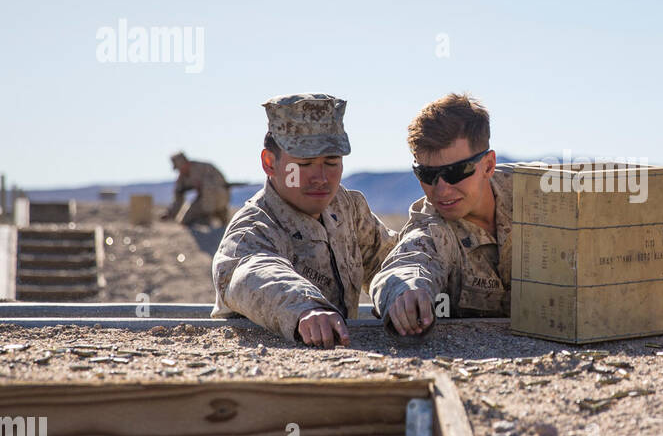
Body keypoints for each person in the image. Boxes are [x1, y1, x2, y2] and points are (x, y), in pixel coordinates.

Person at [211, 93, 398, 347]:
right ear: (269, 163)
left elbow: (388, 261)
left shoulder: (347, 209)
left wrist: (405, 292)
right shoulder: (255, 227)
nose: (320, 177)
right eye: (304, 164)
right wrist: (305, 306)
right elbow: (249, 272)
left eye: (331, 162)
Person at [371, 93, 514, 335]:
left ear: (488, 165)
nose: (442, 189)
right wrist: (404, 292)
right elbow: (409, 263)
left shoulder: (541, 193)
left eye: (456, 171)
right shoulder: (432, 230)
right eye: (427, 174)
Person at [161, 152, 231, 227]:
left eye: (180, 167)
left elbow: (221, 185)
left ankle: (213, 216)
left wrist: (203, 186)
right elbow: (178, 197)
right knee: (185, 220)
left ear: (186, 163)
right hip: (202, 202)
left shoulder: (205, 168)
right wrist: (170, 213)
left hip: (218, 200)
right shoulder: (182, 178)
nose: (180, 170)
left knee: (209, 189)